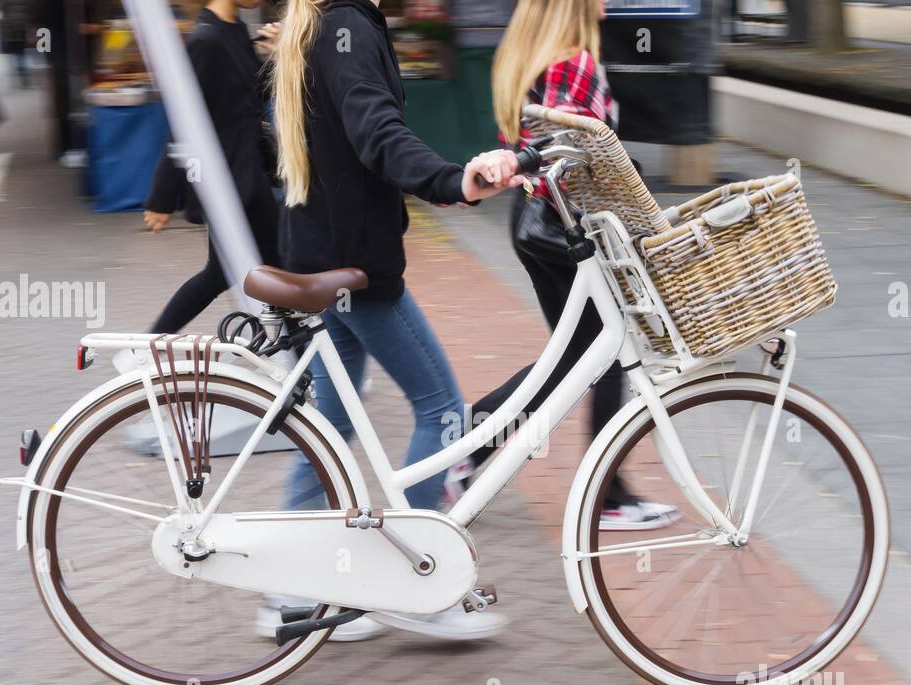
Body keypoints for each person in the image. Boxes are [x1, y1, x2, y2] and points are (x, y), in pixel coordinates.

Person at [264, 0, 522, 641]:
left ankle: (286, 587)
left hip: (323, 254)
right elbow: (375, 131)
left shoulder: (321, 21)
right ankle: (402, 580)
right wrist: (452, 180)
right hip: (354, 268)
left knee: (333, 423)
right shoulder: (346, 25)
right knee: (442, 411)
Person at [465, 0, 677, 531]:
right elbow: (557, 150)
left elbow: (520, 148)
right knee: (599, 354)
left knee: (574, 359)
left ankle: (470, 443)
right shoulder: (575, 59)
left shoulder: (524, 57)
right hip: (567, 228)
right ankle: (607, 497)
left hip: (534, 224)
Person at [143, 0, 282, 335]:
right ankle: (151, 343)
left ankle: (293, 363)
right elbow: (184, 124)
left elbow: (253, 98)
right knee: (239, 272)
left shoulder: (235, 31)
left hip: (249, 174)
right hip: (226, 180)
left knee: (276, 269)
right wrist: (162, 198)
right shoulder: (205, 41)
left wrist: (277, 57)